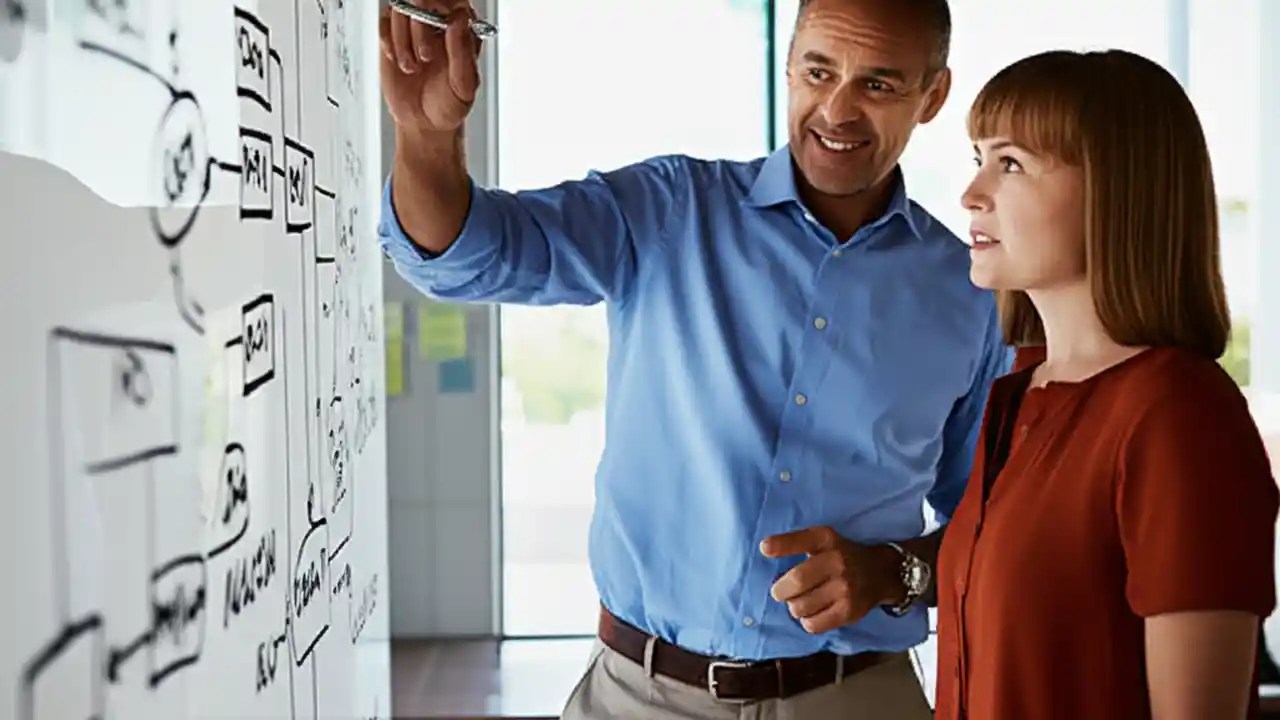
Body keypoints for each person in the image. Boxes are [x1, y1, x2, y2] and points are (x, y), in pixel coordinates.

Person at [379, 0, 1011, 716]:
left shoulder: (974, 297)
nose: (837, 110)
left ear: (932, 96)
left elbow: (990, 530)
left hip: (857, 697)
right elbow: (465, 257)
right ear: (789, 68)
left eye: (878, 84)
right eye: (818, 72)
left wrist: (892, 573)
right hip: (638, 695)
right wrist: (426, 137)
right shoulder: (671, 208)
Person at [935, 48, 1280, 720]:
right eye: (979, 158)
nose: (972, 194)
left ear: (1116, 189)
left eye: (1011, 164)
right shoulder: (1017, 395)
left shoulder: (1179, 413)